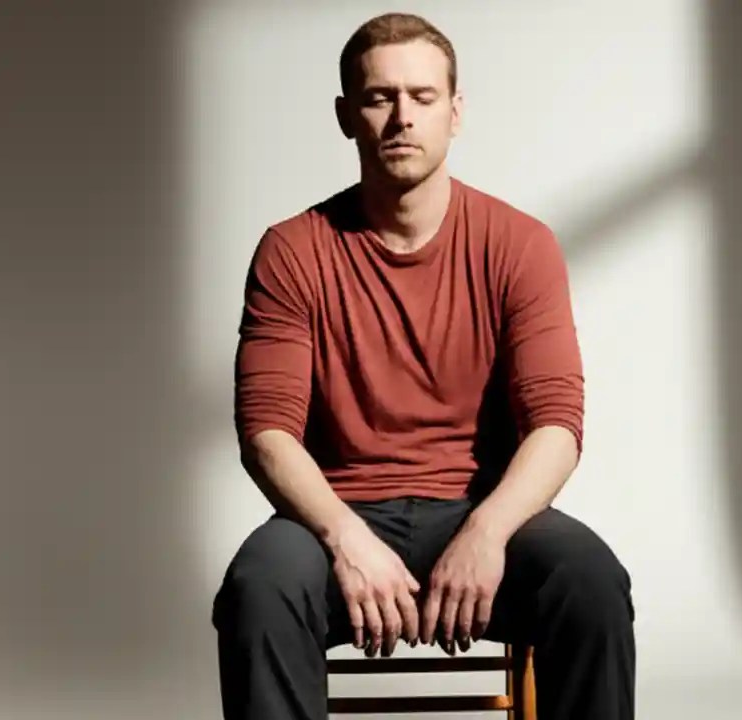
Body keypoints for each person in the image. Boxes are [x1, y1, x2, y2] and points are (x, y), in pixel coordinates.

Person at [212, 12, 635, 720]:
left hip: (480, 509)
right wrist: (345, 537)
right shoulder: (293, 251)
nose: (402, 117)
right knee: (260, 585)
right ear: (347, 116)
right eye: (379, 98)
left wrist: (487, 532)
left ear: (456, 112)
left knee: (589, 580)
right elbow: (266, 432)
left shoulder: (519, 245)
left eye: (423, 97)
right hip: (334, 516)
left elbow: (557, 425)